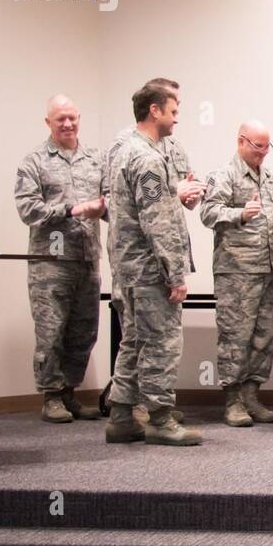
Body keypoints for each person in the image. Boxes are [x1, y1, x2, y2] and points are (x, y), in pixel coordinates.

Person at [104, 83, 201, 446]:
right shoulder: (146, 157)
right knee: (161, 341)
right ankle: (160, 418)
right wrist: (174, 273)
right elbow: (157, 220)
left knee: (133, 342)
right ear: (155, 111)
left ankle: (121, 416)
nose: (177, 119)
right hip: (149, 270)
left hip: (128, 268)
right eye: (173, 111)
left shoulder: (123, 150)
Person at [13, 95, 105, 424]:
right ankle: (51, 396)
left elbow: (110, 203)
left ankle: (69, 392)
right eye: (59, 119)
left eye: (72, 118)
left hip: (87, 259)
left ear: (79, 118)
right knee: (51, 331)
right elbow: (28, 210)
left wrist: (105, 208)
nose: (67, 124)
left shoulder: (96, 159)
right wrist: (74, 209)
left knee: (83, 331)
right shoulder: (34, 162)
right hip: (50, 261)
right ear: (48, 122)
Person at [199, 121, 273, 427]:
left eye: (267, 146)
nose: (263, 152)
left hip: (267, 267)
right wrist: (239, 213)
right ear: (241, 141)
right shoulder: (224, 174)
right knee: (236, 336)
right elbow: (208, 213)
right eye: (258, 146)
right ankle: (233, 400)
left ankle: (252, 395)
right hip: (235, 269)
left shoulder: (271, 176)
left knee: (265, 335)